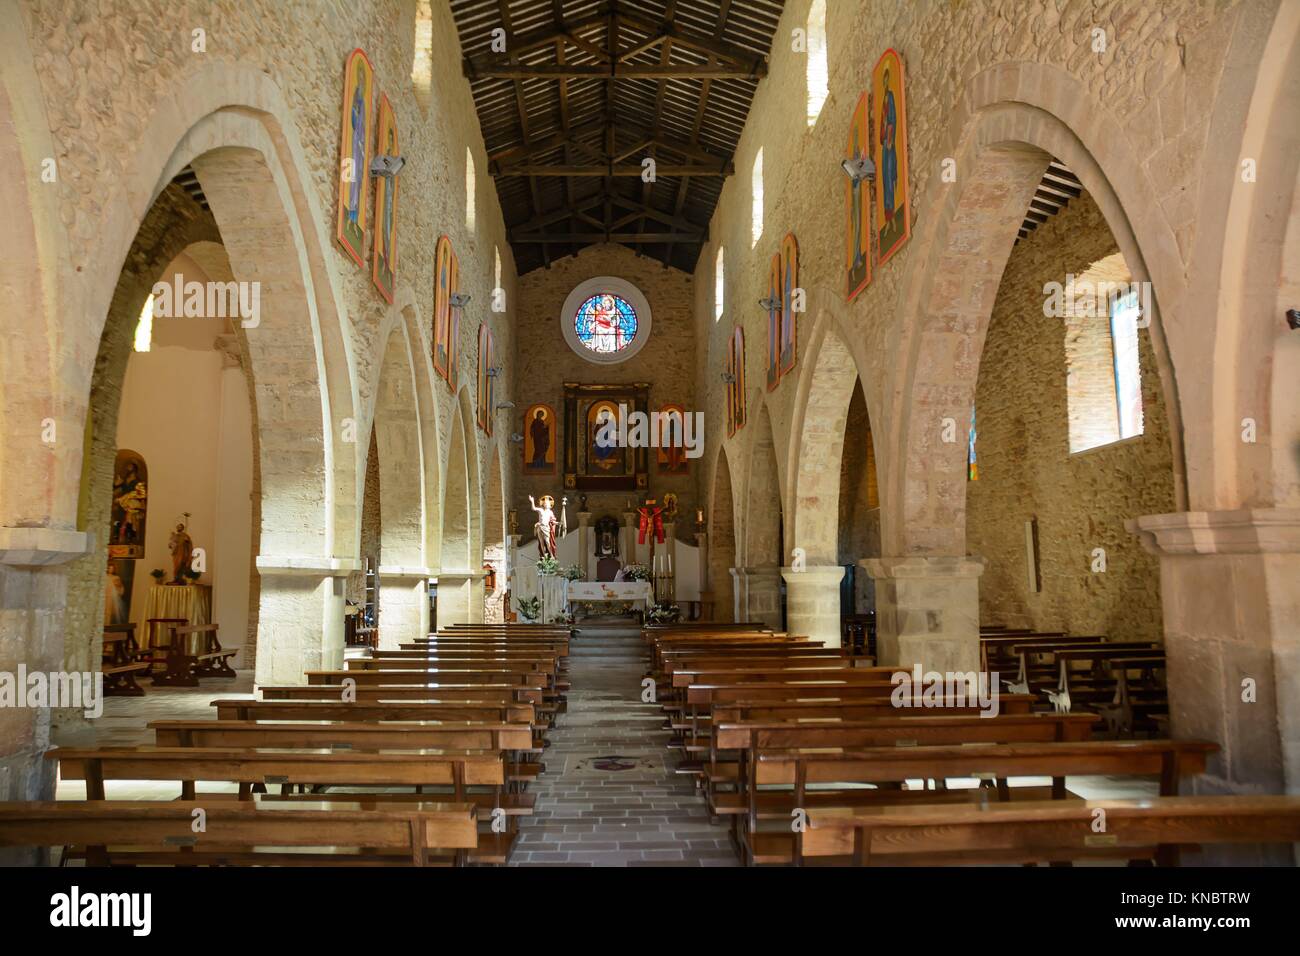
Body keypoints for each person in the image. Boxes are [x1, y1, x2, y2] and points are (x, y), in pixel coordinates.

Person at [528, 494, 558, 559]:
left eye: (547, 503)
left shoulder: (550, 512)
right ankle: (543, 555)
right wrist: (532, 501)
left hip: (546, 528)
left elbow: (552, 521)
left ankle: (551, 555)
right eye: (544, 503)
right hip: (540, 527)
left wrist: (558, 523)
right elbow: (533, 508)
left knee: (547, 542)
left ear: (549, 505)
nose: (546, 504)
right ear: (543, 504)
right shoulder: (540, 510)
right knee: (541, 542)